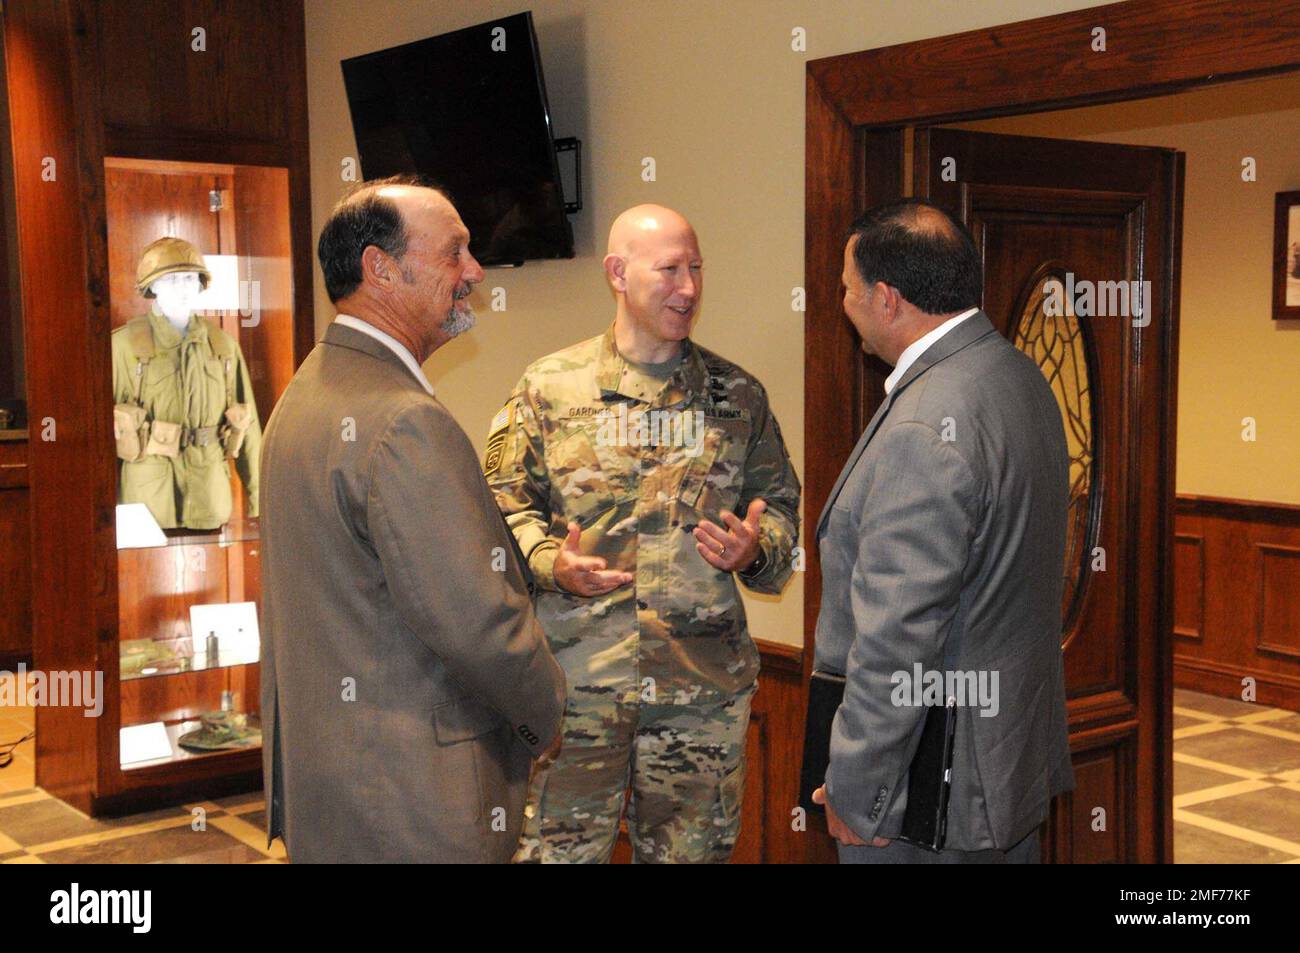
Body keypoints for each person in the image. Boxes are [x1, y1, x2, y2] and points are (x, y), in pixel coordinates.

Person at [260, 177, 566, 863]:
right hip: (412, 805)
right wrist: (547, 710)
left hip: (332, 792)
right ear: (381, 268)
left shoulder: (303, 394)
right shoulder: (406, 423)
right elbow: (479, 623)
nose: (475, 272)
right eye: (455, 253)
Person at [487, 204, 801, 863]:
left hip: (699, 698)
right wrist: (550, 561)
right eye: (668, 270)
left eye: (696, 269)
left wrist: (757, 548)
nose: (687, 288)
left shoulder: (737, 397)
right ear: (618, 273)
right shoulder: (549, 389)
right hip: (576, 695)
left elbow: (778, 511)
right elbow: (499, 510)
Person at [810, 198, 1074, 864]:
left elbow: (900, 632)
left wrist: (859, 789)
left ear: (887, 299)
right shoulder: (1016, 376)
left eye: (847, 290)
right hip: (1005, 762)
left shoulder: (927, 423)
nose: (843, 304)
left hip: (930, 792)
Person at [112, 237, 260, 530]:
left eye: (190, 278)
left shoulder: (222, 347)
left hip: (208, 496)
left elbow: (250, 425)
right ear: (152, 286)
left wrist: (258, 499)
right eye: (172, 279)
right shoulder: (123, 346)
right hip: (147, 503)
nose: (183, 288)